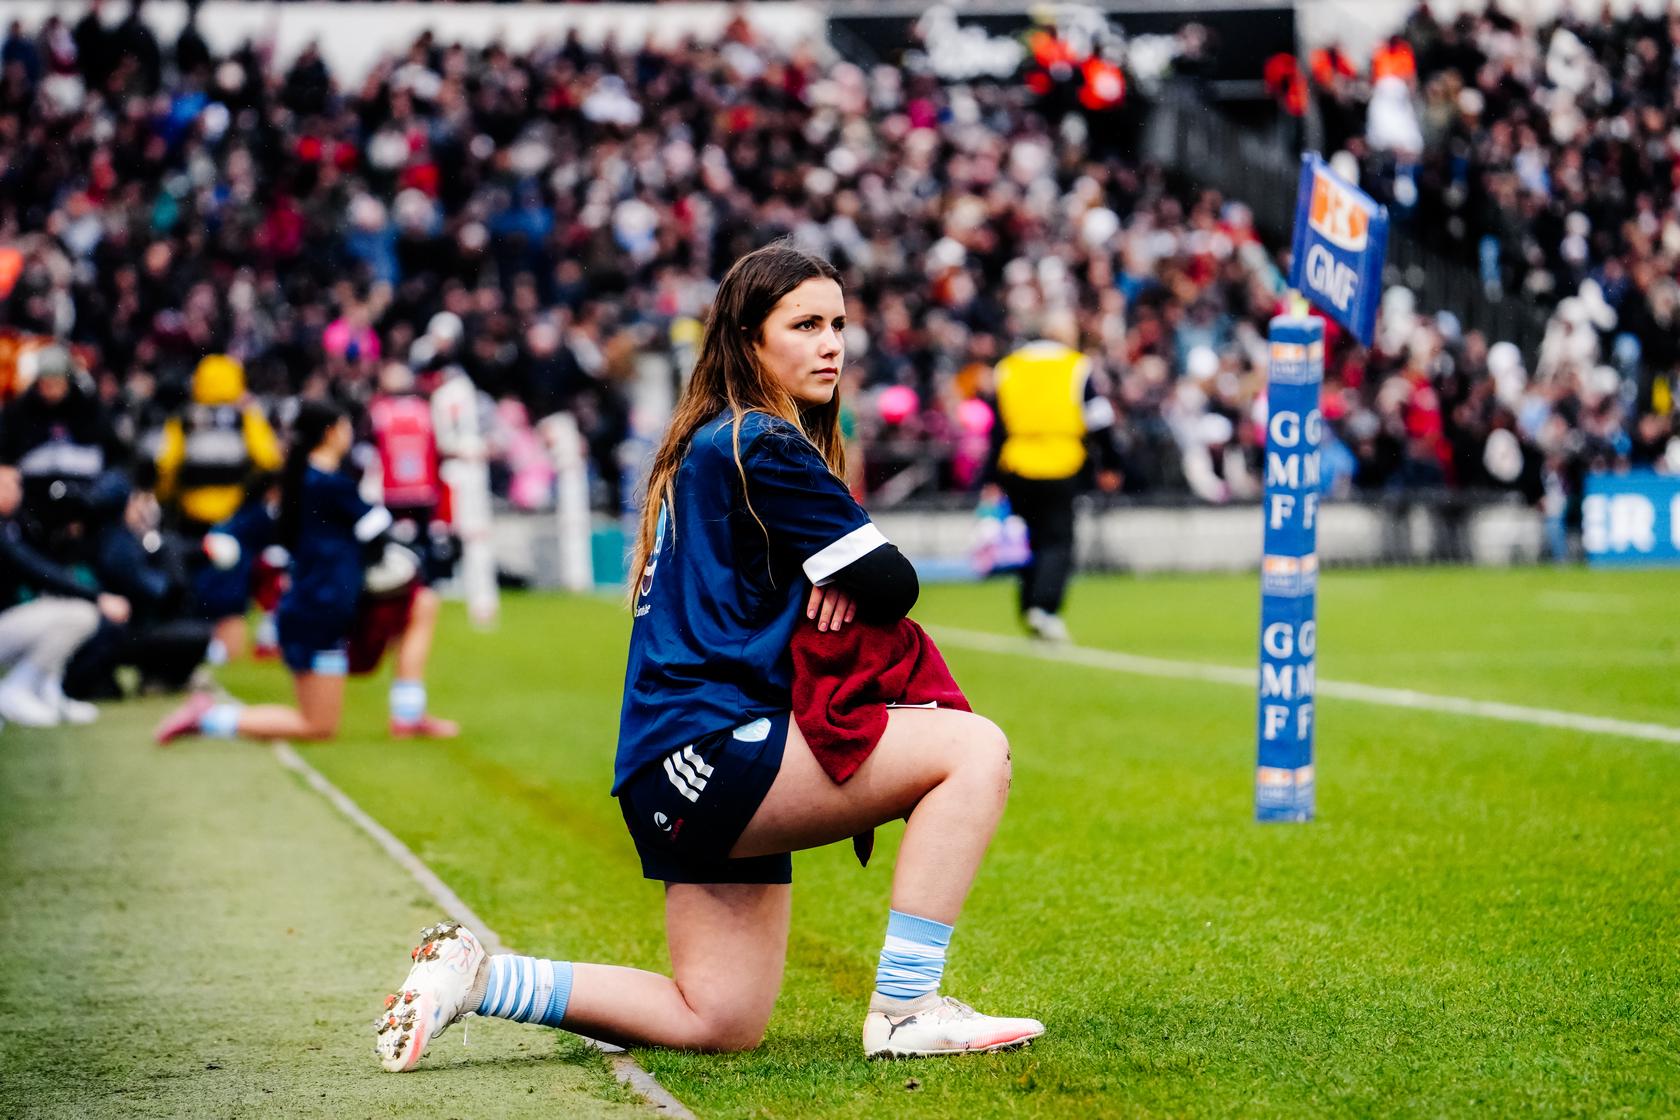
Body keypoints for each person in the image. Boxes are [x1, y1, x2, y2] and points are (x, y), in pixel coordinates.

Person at [373, 242, 1042, 1071]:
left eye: (838, 324)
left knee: (717, 1017)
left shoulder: (707, 443)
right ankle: (907, 1009)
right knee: (975, 750)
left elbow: (852, 578)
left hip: (667, 765)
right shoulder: (758, 440)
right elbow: (892, 581)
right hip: (713, 748)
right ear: (749, 339)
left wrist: (830, 575)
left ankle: (480, 980)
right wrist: (841, 577)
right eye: (804, 325)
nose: (831, 343)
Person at [154, 399, 458, 744]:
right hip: (320, 609)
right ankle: (208, 718)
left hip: (323, 603)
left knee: (422, 605)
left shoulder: (301, 482)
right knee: (317, 725)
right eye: (344, 427)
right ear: (330, 433)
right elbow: (378, 527)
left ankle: (409, 714)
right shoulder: (327, 485)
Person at [982, 312, 1119, 643]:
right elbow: (1099, 419)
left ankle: (1029, 603)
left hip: (1017, 465)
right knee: (1058, 539)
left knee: (1029, 539)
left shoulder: (1008, 367)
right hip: (1061, 464)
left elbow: (997, 428)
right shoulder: (1077, 366)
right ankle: (1045, 607)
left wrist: (990, 476)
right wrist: (1112, 462)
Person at [0, 465, 124, 727]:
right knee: (80, 615)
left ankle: (47, 691)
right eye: (8, 486)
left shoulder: (16, 524)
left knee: (61, 610)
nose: (17, 492)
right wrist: (97, 596)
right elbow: (35, 569)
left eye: (17, 485)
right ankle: (16, 689)